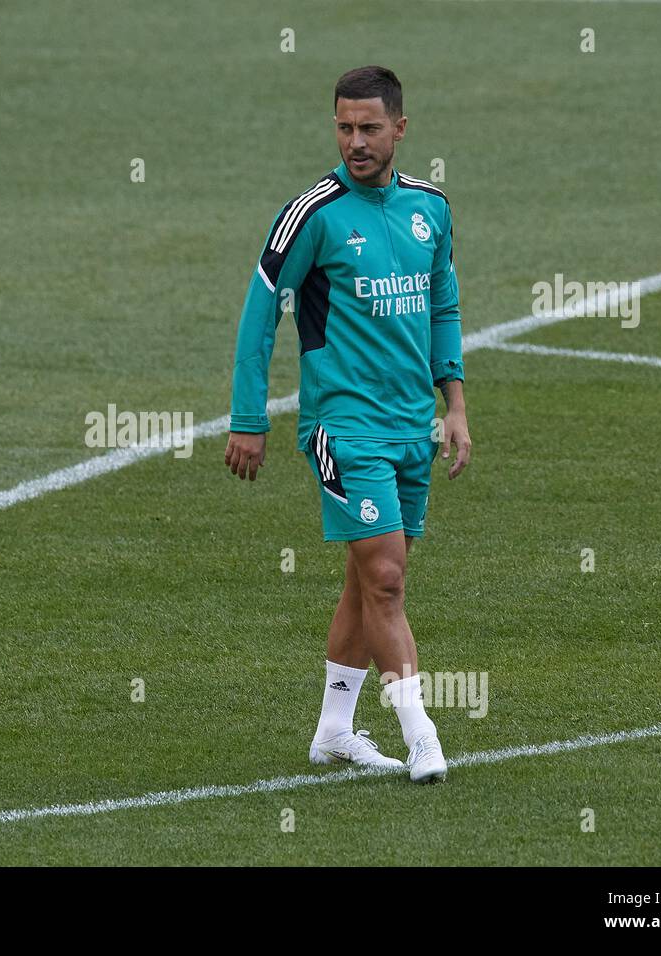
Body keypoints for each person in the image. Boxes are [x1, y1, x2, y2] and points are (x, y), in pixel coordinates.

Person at [224, 66, 472, 783]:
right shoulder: (314, 214)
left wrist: (452, 406)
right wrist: (249, 419)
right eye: (343, 127)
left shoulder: (432, 209)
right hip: (342, 424)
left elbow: (443, 307)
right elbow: (258, 313)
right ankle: (420, 731)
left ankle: (334, 731)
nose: (355, 141)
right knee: (388, 578)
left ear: (400, 129)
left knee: (367, 583)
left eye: (368, 128)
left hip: (409, 426)